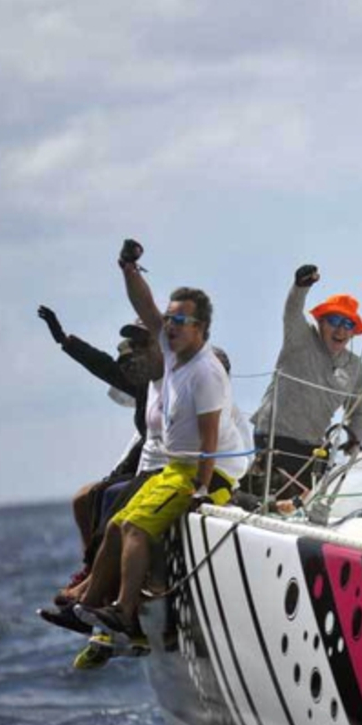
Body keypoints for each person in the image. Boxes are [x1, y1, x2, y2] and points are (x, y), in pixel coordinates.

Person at [73, 238, 249, 641]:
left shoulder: (206, 372)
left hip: (207, 471)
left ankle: (124, 612)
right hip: (176, 467)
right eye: (169, 319)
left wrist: (201, 488)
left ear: (200, 328)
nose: (169, 325)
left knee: (136, 528)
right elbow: (144, 305)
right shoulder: (173, 353)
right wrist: (128, 270)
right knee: (117, 524)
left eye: (179, 320)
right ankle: (92, 608)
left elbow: (209, 440)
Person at [36, 305, 163, 595]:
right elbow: (104, 366)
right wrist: (65, 340)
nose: (135, 351)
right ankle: (92, 567)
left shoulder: (176, 379)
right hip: (146, 459)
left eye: (142, 343)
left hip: (166, 466)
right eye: (133, 344)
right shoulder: (145, 384)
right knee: (84, 498)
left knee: (109, 497)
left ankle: (100, 582)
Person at [249, 264, 362, 499]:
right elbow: (292, 311)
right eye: (334, 320)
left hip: (313, 446)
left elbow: (358, 411)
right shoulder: (301, 338)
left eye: (348, 324)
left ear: (354, 332)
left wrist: (355, 441)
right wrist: (300, 287)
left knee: (308, 504)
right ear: (321, 322)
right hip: (275, 437)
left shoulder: (355, 366)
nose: (341, 330)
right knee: (278, 499)